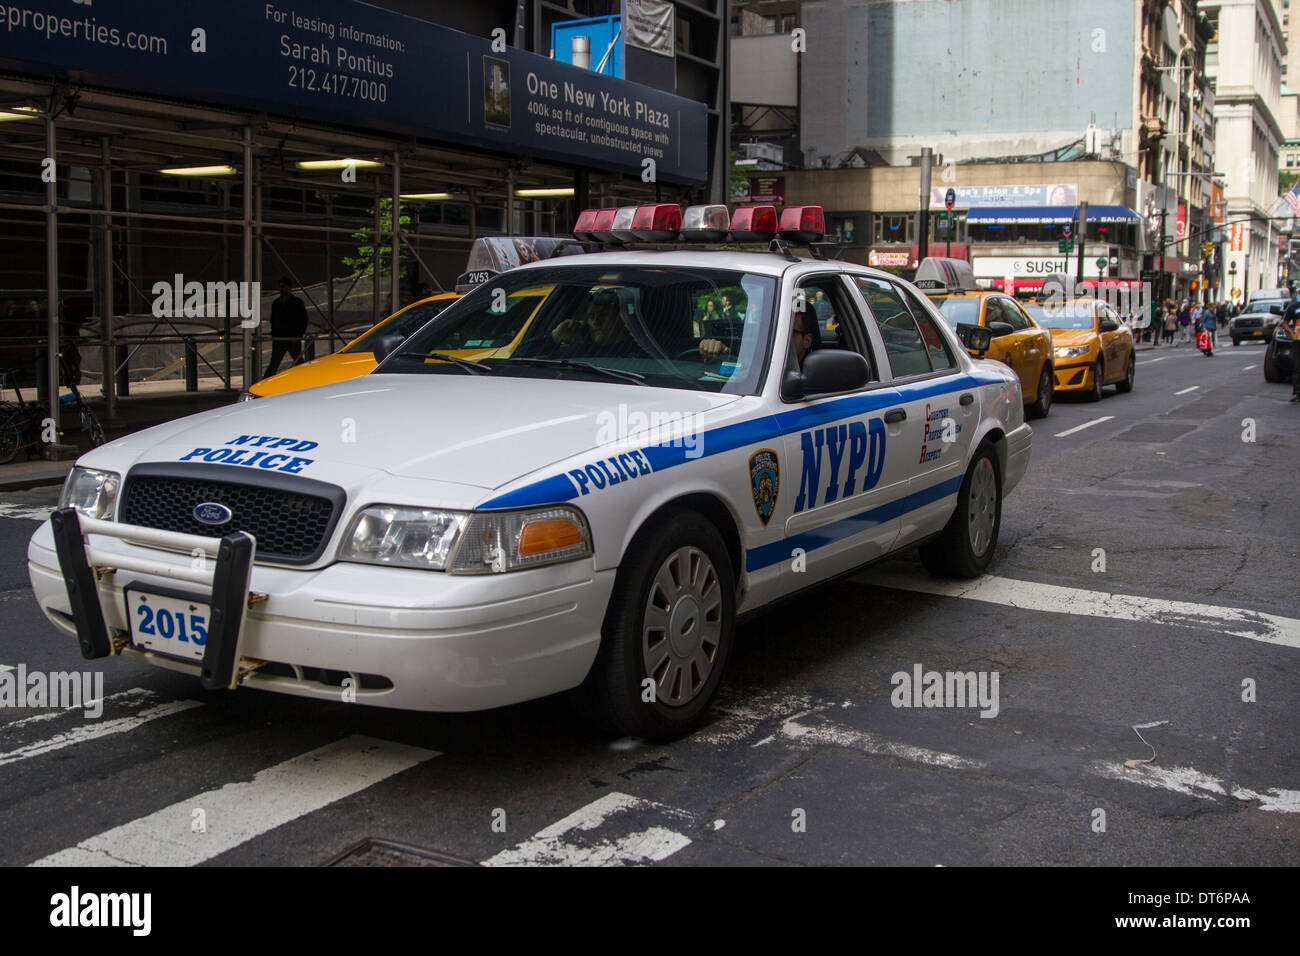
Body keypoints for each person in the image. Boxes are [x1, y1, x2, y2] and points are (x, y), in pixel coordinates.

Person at [549, 289, 634, 357]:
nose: (595, 322)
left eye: (603, 315)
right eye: (591, 316)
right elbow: (538, 357)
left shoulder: (640, 352)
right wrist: (554, 337)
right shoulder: (578, 352)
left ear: (622, 319)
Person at [264, 276, 309, 377]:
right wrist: (274, 333)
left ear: (289, 288)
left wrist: (298, 335)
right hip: (280, 338)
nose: (281, 289)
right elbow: (273, 320)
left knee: (298, 361)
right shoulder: (276, 303)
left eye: (283, 286)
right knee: (274, 362)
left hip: (292, 337)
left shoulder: (297, 302)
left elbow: (303, 320)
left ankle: (307, 377)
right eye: (280, 287)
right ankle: (265, 381)